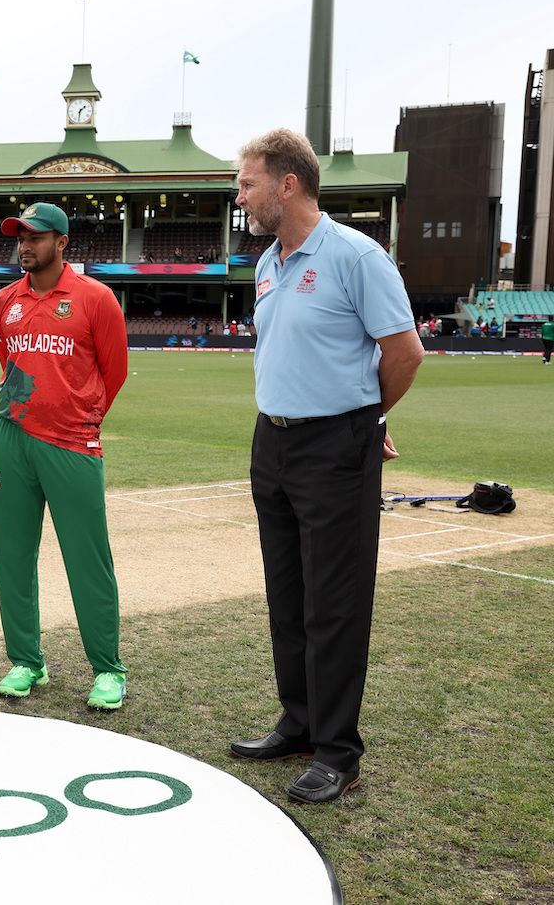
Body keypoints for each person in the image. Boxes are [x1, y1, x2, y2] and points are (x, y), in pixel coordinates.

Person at [230, 128, 423, 804]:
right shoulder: (267, 264)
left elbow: (404, 352)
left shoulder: (355, 256)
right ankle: (301, 721)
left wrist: (366, 419)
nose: (240, 196)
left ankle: (339, 750)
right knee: (288, 594)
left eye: (247, 183)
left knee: (334, 603)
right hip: (272, 441)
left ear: (288, 184)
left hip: (335, 446)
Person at [0, 202, 129, 710]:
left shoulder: (96, 299)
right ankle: (27, 661)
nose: (25, 245)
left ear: (62, 242)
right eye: (20, 237)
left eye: (36, 236)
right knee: (13, 556)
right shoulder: (5, 300)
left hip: (71, 443)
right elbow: (9, 364)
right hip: (11, 437)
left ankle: (108, 669)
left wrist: (82, 418)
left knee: (87, 560)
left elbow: (114, 373)